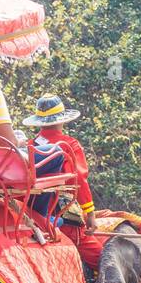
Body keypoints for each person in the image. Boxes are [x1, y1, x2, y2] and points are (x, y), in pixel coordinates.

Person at [23, 94, 96, 229]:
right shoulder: (69, 144)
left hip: (28, 207)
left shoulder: (29, 145)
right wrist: (90, 213)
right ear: (61, 120)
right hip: (58, 212)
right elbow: (78, 178)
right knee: (95, 249)